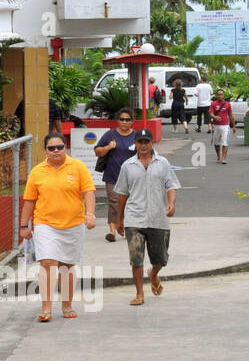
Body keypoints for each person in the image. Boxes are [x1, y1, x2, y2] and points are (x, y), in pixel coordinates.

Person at [17, 133, 96, 321]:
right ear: (45, 151)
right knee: (47, 263)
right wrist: (23, 226)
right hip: (45, 224)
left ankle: (67, 306)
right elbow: (29, 200)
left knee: (67, 266)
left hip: (73, 225)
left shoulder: (78, 167)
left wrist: (90, 214)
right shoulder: (37, 172)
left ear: (65, 147)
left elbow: (89, 192)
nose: (56, 151)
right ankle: (46, 308)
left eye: (59, 147)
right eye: (51, 148)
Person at [113, 129, 180, 306]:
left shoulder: (163, 163)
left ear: (152, 143)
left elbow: (171, 186)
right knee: (136, 258)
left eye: (146, 142)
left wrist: (171, 203)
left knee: (161, 259)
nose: (143, 145)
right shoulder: (128, 166)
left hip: (159, 218)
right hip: (134, 218)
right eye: (140, 142)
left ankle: (154, 274)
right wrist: (119, 219)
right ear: (135, 144)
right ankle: (139, 293)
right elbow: (122, 194)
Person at [95, 110, 138, 243]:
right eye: (122, 119)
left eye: (127, 119)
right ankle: (112, 232)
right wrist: (109, 147)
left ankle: (127, 229)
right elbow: (98, 152)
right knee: (114, 203)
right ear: (117, 120)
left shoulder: (136, 136)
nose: (124, 122)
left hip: (132, 177)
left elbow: (145, 152)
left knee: (129, 204)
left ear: (132, 121)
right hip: (112, 175)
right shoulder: (110, 135)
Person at [209, 88, 233, 164]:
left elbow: (230, 115)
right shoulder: (213, 104)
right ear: (216, 95)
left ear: (223, 95)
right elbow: (211, 113)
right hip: (216, 126)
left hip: (225, 126)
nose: (220, 96)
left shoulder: (228, 104)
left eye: (221, 94)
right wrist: (215, 117)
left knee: (225, 142)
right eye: (218, 94)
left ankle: (223, 158)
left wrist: (234, 126)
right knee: (216, 143)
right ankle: (218, 156)